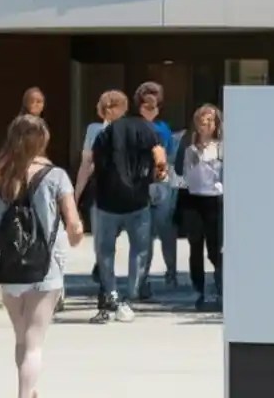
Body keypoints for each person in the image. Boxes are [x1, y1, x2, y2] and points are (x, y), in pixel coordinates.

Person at [0, 114, 83, 398]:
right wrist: (75, 235)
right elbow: (74, 224)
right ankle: (25, 393)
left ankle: (29, 389)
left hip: (9, 266)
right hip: (47, 267)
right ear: (42, 141)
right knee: (34, 343)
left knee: (21, 338)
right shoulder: (56, 176)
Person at [88, 82, 167, 324]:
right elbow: (159, 155)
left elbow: (94, 165)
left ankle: (110, 292)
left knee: (105, 251)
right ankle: (130, 296)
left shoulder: (103, 135)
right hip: (137, 201)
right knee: (140, 249)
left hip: (107, 202)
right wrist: (159, 172)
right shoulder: (145, 128)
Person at [74, 91, 128, 297]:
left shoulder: (126, 128)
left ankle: (107, 275)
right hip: (103, 188)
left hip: (118, 188)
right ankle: (106, 277)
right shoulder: (94, 130)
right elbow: (86, 163)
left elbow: (86, 164)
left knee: (108, 234)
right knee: (103, 236)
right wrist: (77, 193)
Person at [179, 104, 223, 311]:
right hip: (193, 199)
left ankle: (221, 287)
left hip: (215, 199)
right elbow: (180, 174)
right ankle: (199, 290)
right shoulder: (189, 146)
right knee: (195, 246)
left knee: (215, 248)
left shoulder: (222, 147)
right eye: (201, 122)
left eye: (209, 122)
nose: (205, 126)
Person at [140, 103, 180, 299]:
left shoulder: (163, 128)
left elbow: (170, 157)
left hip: (162, 183)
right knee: (144, 234)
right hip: (143, 184)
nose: (150, 109)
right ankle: (143, 277)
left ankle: (171, 271)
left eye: (154, 106)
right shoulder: (135, 127)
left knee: (166, 231)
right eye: (146, 106)